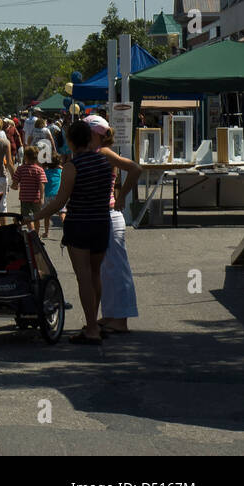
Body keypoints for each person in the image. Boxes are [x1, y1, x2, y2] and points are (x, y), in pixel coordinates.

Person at [32, 120, 122, 345]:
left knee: (84, 278)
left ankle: (91, 328)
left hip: (80, 224)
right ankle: (93, 322)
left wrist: (34, 216)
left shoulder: (73, 166)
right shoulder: (105, 161)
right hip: (101, 223)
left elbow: (59, 201)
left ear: (71, 141)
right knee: (95, 274)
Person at [87, 117, 142, 334]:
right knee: (107, 270)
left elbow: (135, 169)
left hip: (109, 214)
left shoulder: (104, 152)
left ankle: (120, 319)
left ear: (94, 134)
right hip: (103, 215)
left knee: (116, 269)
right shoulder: (98, 152)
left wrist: (121, 198)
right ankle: (111, 315)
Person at [11, 144, 48, 235]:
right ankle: (36, 234)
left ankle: (31, 231)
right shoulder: (39, 170)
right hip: (36, 198)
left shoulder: (20, 169)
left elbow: (15, 183)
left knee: (25, 217)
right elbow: (42, 184)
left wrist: (14, 186)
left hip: (24, 198)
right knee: (36, 217)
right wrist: (42, 197)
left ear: (25, 157)